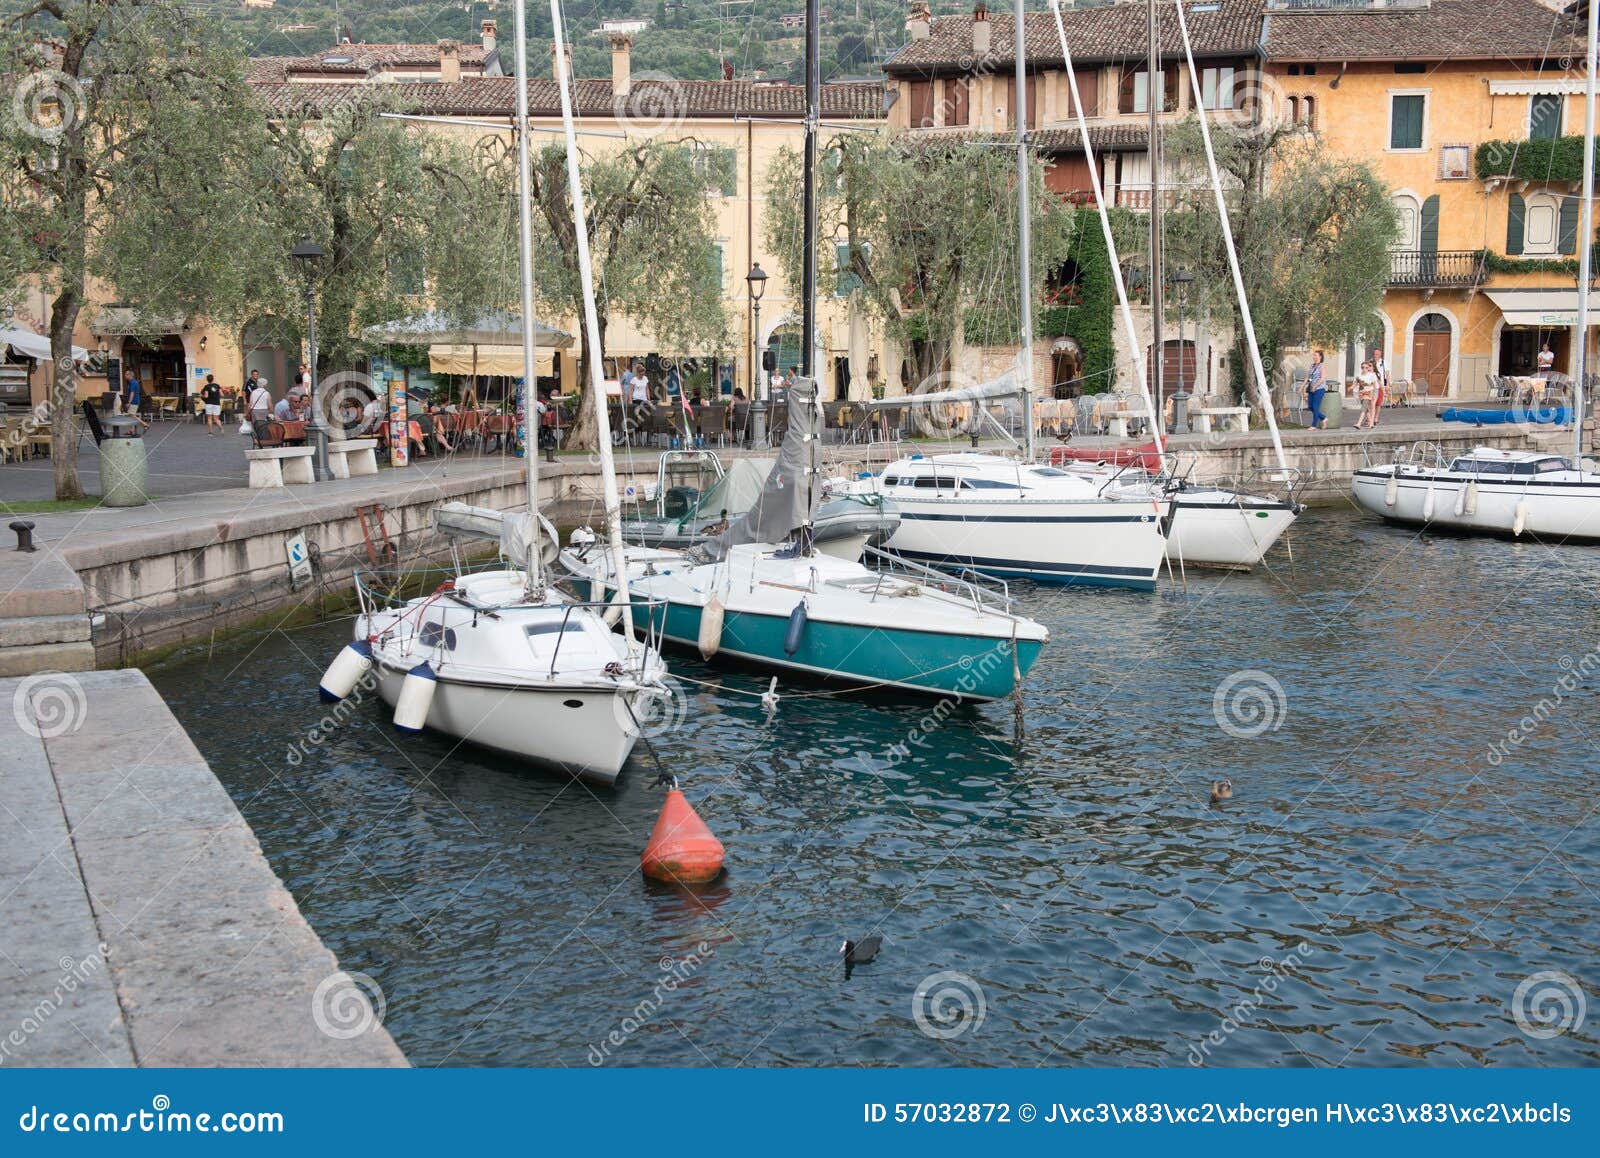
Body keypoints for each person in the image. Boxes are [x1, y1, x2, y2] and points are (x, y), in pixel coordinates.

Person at [1304, 350, 1327, 430]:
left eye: (1316, 355)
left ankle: (1314, 425)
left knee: (1315, 407)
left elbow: (1322, 378)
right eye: (1313, 355)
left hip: (1319, 389)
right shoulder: (1312, 366)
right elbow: (1308, 377)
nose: (1314, 357)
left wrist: (1315, 386)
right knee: (1310, 406)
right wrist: (1303, 386)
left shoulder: (1322, 366)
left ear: (1320, 357)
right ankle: (1323, 418)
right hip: (1311, 388)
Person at [1354, 359, 1379, 430]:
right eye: (1363, 367)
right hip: (1364, 392)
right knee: (1367, 408)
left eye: (1370, 366)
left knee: (1372, 406)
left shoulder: (1373, 374)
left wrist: (1383, 390)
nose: (1366, 368)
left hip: (1373, 391)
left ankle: (1368, 422)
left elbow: (1377, 384)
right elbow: (1357, 383)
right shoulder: (1362, 375)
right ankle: (1371, 422)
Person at [1370, 346, 1388, 427]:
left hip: (1380, 385)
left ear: (1380, 354)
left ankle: (1376, 418)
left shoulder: (1384, 362)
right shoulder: (1370, 362)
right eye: (1375, 354)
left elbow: (1387, 374)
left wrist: (1387, 385)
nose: (1376, 355)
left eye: (1377, 354)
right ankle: (1370, 418)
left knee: (1378, 403)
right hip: (1371, 386)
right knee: (1371, 403)